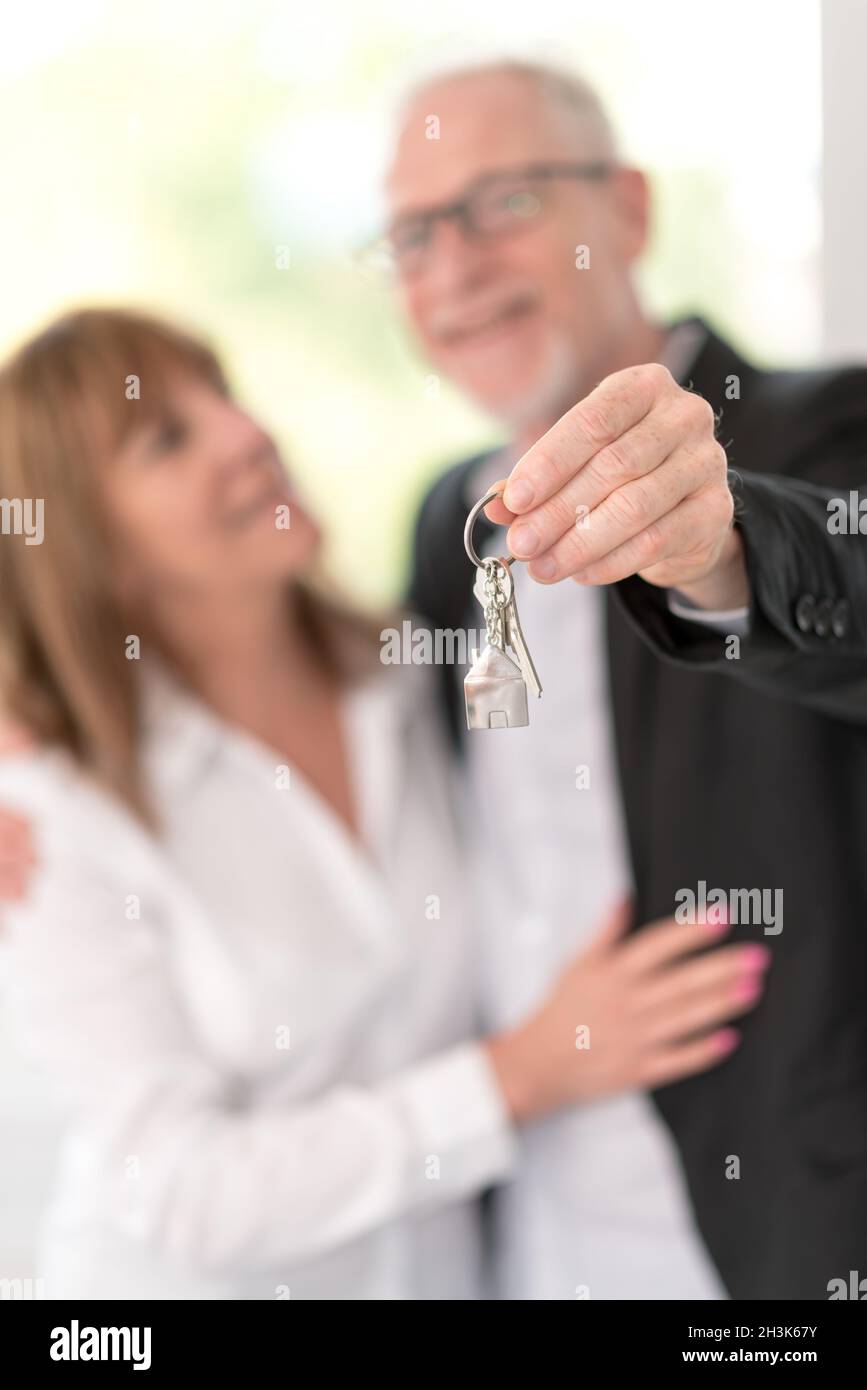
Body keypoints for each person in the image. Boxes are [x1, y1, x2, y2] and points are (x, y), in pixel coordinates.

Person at [0, 307, 762, 1300]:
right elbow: (176, 1185)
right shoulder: (56, 814)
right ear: (95, 548)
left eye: (224, 394)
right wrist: (519, 1075)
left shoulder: (408, 682)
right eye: (168, 438)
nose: (246, 433)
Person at [385, 60, 867, 1299]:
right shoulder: (452, 516)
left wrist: (715, 547)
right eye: (414, 233)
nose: (455, 268)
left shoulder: (827, 427)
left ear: (632, 211)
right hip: (527, 1229)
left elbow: (841, 566)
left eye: (504, 202)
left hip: (772, 1245)